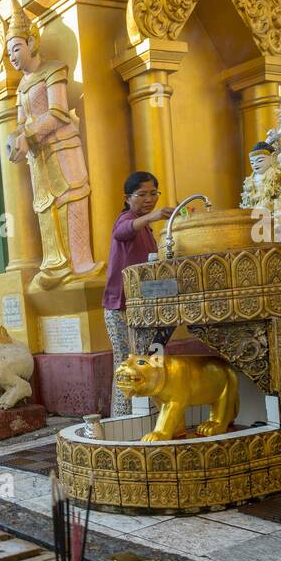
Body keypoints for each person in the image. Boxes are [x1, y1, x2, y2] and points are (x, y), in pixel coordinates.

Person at [102, 171, 173, 416]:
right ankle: (121, 420)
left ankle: (144, 416)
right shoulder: (127, 219)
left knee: (145, 361)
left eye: (153, 193)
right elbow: (121, 232)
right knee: (126, 363)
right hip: (119, 307)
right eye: (142, 194)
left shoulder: (148, 231)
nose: (149, 199)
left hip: (141, 307)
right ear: (128, 197)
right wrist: (152, 216)